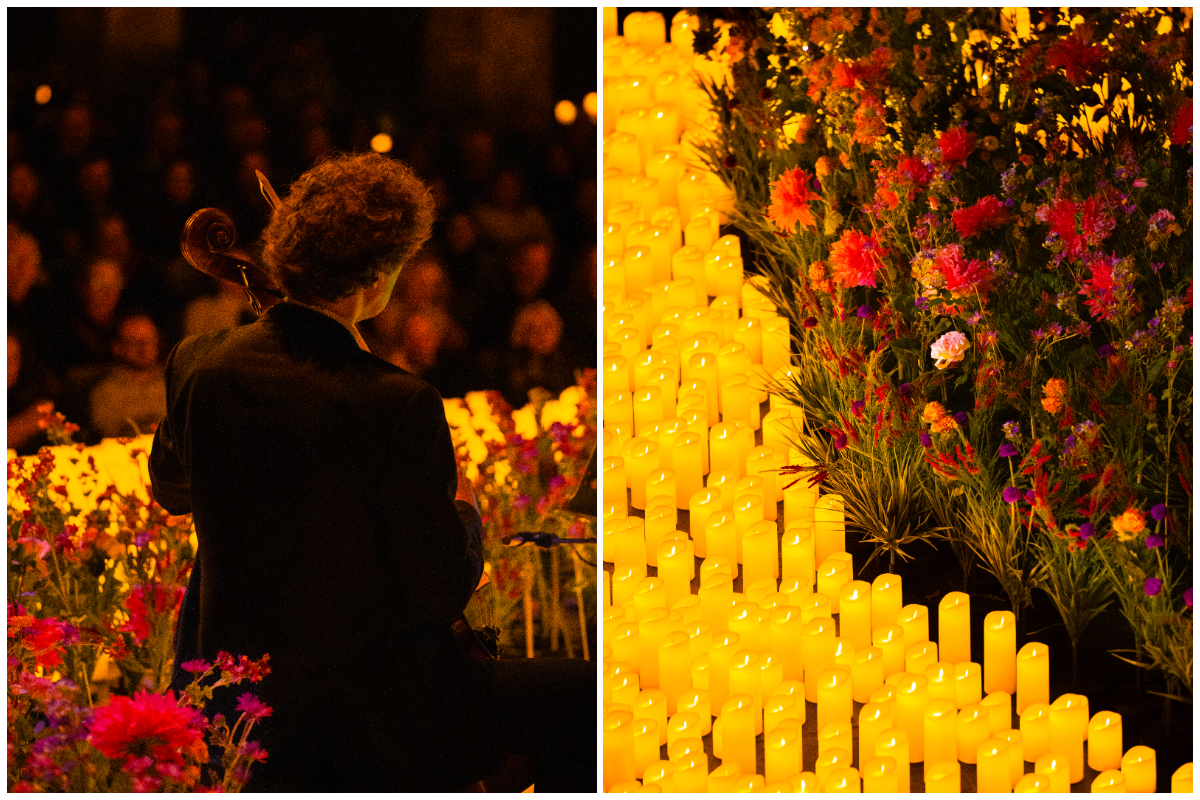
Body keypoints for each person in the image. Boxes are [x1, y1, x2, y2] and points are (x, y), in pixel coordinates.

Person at [148, 151, 594, 792]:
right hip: (364, 710)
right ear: (377, 279)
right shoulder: (395, 402)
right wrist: (464, 507)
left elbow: (171, 489)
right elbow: (440, 586)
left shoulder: (198, 362)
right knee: (589, 698)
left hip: (229, 694)